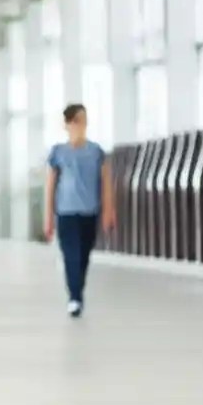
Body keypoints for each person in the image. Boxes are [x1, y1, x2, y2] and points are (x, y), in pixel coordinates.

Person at [44, 103, 116, 318]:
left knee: (84, 256)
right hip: (66, 212)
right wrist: (48, 217)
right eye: (76, 120)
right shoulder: (58, 153)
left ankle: (77, 291)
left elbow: (106, 183)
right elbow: (50, 186)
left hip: (89, 212)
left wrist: (109, 211)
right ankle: (74, 297)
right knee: (71, 256)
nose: (80, 125)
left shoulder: (96, 152)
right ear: (67, 124)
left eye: (83, 120)